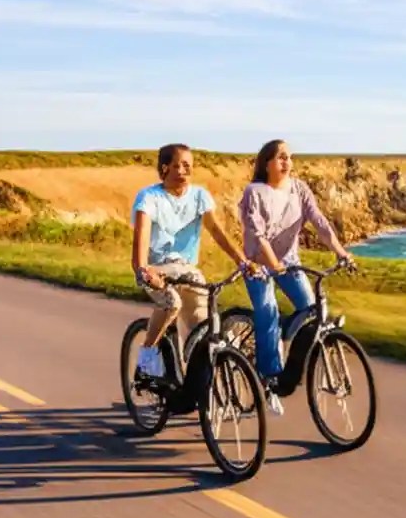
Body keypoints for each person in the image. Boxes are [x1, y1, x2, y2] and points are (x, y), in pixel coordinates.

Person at [239, 138, 354, 416]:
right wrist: (274, 265)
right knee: (267, 312)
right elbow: (257, 234)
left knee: (310, 310)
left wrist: (341, 253)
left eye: (289, 157)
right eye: (280, 157)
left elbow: (320, 223)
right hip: (258, 262)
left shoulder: (299, 189)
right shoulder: (254, 192)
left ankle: (290, 346)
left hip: (288, 261)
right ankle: (269, 378)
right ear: (266, 163)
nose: (286, 162)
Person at [131, 143, 251, 378]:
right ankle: (147, 355)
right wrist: (143, 269)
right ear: (164, 168)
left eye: (188, 165)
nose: (184, 170)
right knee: (171, 303)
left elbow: (216, 231)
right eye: (178, 165)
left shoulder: (199, 197)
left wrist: (242, 261)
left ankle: (196, 385)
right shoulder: (149, 198)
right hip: (157, 269)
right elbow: (142, 236)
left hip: (187, 270)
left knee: (204, 326)